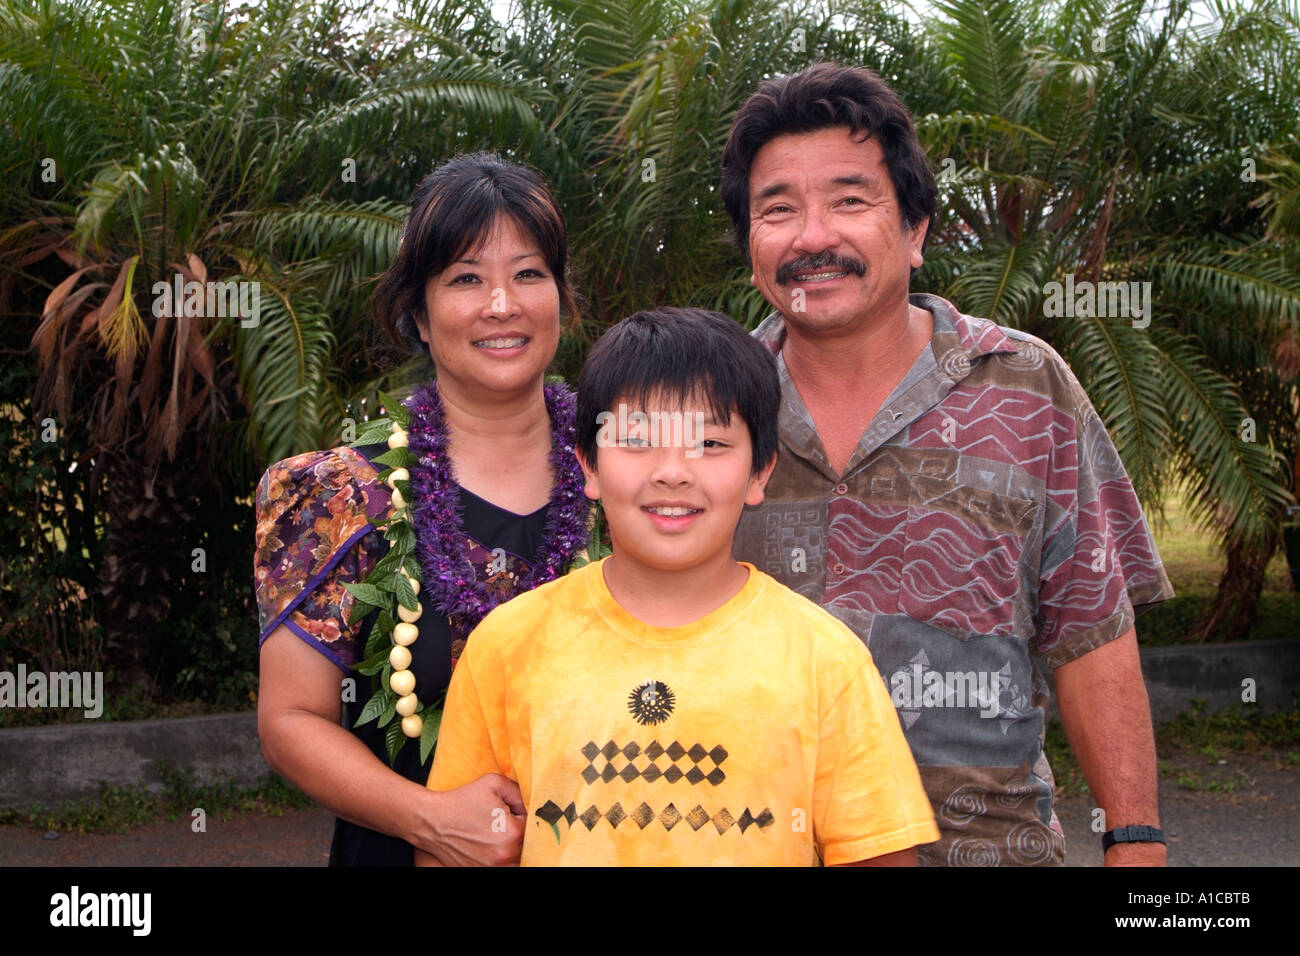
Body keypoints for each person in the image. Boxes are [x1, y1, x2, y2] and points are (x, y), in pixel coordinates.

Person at [721, 63, 1175, 866]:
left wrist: (1136, 842)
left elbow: (1092, 629)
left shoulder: (1028, 387)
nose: (813, 235)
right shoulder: (712, 407)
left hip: (988, 849)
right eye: (778, 209)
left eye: (850, 200)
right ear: (750, 241)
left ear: (917, 229)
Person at [417, 307, 939, 866]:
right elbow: (454, 849)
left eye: (710, 444)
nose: (673, 471)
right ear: (588, 466)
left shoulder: (826, 661)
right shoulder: (507, 645)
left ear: (760, 471)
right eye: (637, 440)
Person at [253, 153, 590, 866]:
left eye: (529, 273)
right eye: (466, 278)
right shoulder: (340, 497)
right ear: (420, 315)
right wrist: (429, 819)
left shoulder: (627, 478)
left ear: (560, 295)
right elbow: (289, 720)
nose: (502, 304)